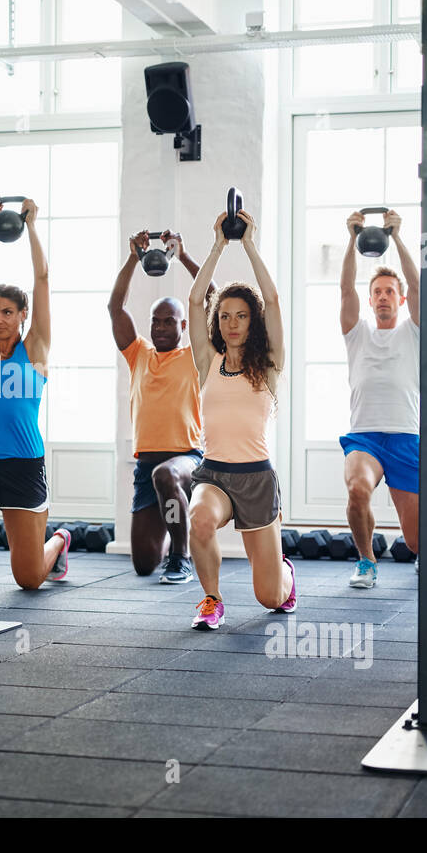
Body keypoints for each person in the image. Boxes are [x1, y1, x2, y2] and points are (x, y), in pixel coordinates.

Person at [0, 199, 71, 595]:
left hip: (23, 466)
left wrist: (32, 226)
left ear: (23, 314)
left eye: (7, 312)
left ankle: (58, 541)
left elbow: (42, 278)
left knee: (29, 579)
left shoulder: (35, 349)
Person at [186, 208, 294, 629]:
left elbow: (274, 300)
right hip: (214, 475)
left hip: (257, 480)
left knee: (270, 596)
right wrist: (217, 245)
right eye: (226, 316)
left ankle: (285, 573)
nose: (232, 323)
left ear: (254, 321)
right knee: (198, 517)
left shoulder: (268, 365)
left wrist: (248, 244)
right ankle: (211, 599)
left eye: (242, 315)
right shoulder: (207, 362)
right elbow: (196, 300)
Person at [109, 229, 211, 584]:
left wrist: (182, 256)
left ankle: (181, 557)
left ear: (184, 325)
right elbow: (116, 307)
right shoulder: (139, 355)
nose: (161, 327)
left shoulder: (195, 355)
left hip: (187, 458)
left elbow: (213, 301)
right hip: (147, 462)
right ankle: (175, 522)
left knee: (166, 476)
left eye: (170, 321)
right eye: (156, 320)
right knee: (143, 564)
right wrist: (133, 258)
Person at [339, 209, 421, 590]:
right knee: (357, 489)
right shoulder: (357, 333)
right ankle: (366, 561)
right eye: (377, 292)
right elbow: (344, 290)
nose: (384, 297)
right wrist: (352, 240)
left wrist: (398, 237)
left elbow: (420, 289)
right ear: (370, 301)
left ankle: (425, 559)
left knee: (418, 542)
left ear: (399, 299)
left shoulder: (413, 332)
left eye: (390, 291)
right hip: (365, 437)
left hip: (406, 436)